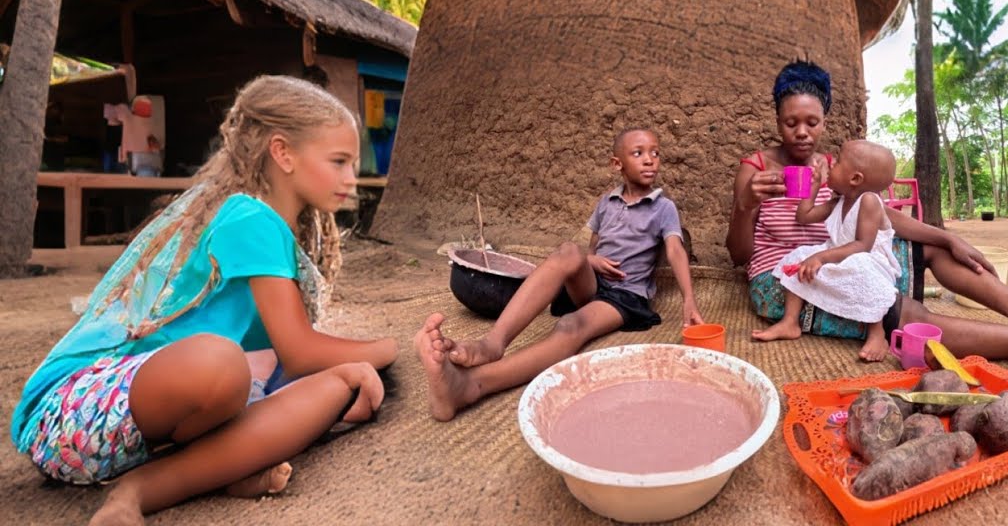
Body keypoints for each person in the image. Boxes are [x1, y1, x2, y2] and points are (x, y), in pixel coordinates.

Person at [10, 76, 397, 526]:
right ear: (283, 153)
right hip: (77, 414)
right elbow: (300, 349)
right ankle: (209, 466)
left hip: (164, 425)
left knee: (342, 386)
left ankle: (142, 491)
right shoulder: (250, 217)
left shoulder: (279, 230)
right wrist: (393, 349)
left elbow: (287, 360)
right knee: (222, 364)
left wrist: (351, 367)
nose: (352, 179)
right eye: (338, 162)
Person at [727, 60, 1008, 362]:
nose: (802, 132)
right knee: (904, 311)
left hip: (842, 261)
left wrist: (948, 237)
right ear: (777, 120)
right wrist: (746, 204)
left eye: (812, 122)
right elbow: (740, 255)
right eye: (791, 122)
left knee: (930, 249)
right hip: (787, 277)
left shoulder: (833, 167)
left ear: (824, 121)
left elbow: (880, 218)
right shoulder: (758, 167)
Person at [417, 128, 704, 421]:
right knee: (569, 250)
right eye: (638, 153)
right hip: (595, 284)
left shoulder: (663, 207)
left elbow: (675, 251)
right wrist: (591, 261)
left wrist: (689, 299)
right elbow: (592, 247)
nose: (649, 160)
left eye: (655, 153)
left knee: (570, 325)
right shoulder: (607, 203)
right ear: (617, 164)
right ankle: (493, 343)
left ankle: (471, 385)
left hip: (625, 296)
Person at [753, 140, 901, 362]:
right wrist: (813, 188)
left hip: (870, 262)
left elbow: (863, 246)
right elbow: (803, 217)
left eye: (838, 162)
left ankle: (877, 332)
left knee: (860, 266)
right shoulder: (838, 201)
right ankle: (790, 322)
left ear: (855, 179)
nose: (831, 165)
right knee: (800, 255)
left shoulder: (869, 201)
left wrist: (820, 257)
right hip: (839, 255)